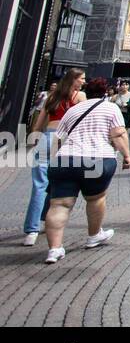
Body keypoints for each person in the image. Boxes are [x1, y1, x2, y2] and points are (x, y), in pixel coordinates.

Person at [40, 78, 130, 264]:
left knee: (59, 205)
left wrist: (53, 161)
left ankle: (54, 249)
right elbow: (118, 134)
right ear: (105, 92)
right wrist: (127, 156)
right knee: (96, 198)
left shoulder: (72, 110)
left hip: (65, 159)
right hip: (97, 159)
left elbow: (58, 138)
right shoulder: (110, 107)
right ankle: (93, 235)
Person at [23, 68, 84, 247]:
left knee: (39, 185)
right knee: (58, 183)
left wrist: (34, 143)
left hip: (46, 138)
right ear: (74, 80)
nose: (83, 82)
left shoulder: (52, 97)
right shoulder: (80, 97)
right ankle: (46, 220)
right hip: (65, 141)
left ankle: (31, 230)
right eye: (81, 78)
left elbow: (38, 125)